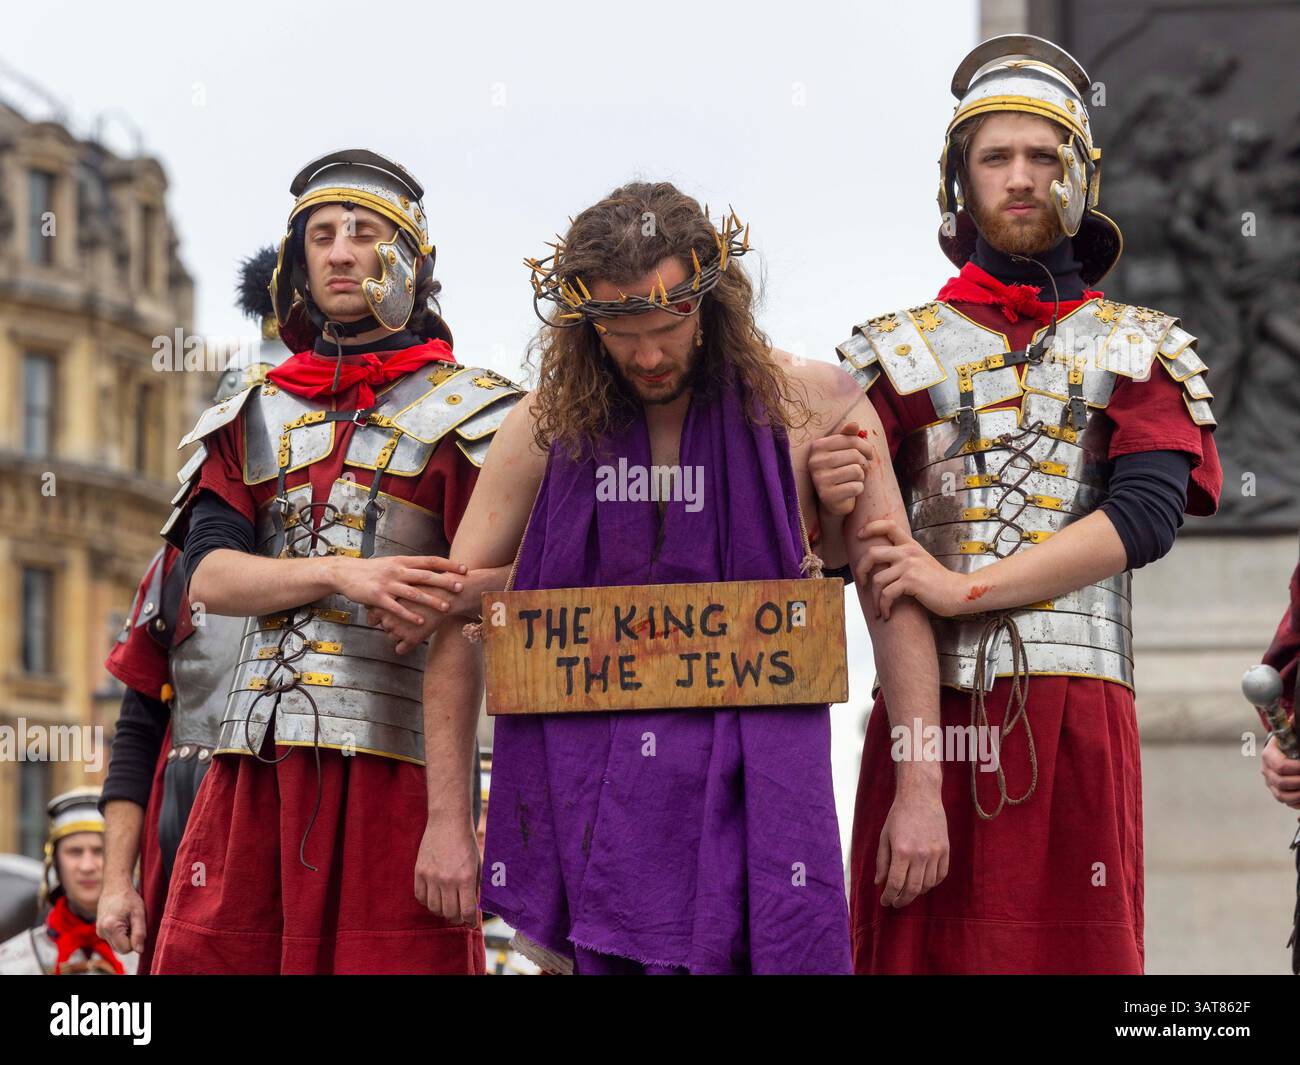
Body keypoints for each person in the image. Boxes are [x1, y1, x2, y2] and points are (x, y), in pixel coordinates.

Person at [388, 181, 948, 974]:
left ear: (711, 300)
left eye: (666, 327)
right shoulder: (545, 423)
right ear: (585, 323)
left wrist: (920, 790)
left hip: (765, 810)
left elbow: (892, 597)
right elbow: (456, 611)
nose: (648, 355)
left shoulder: (816, 404)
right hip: (594, 813)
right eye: (621, 333)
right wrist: (448, 818)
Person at [815, 35, 1222, 973]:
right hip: (929, 714)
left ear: (1079, 175)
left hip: (1078, 711)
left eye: (1044, 157)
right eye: (996, 157)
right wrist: (829, 506)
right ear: (961, 180)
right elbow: (849, 555)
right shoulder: (890, 357)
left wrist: (965, 589)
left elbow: (1145, 518)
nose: (1021, 177)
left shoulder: (1142, 346)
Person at [150, 149, 521, 974]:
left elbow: (525, 590)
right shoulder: (251, 410)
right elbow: (210, 578)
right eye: (321, 236)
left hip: (400, 770)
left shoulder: (477, 412)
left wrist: (453, 819)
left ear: (410, 262)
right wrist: (346, 574)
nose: (341, 252)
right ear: (298, 261)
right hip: (254, 769)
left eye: (363, 232)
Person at [95, 248, 296, 973]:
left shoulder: (370, 544)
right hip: (189, 817)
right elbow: (138, 726)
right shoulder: (176, 565)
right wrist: (118, 878)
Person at [0, 788, 139, 975]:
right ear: (55, 863)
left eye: (99, 851)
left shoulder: (150, 951)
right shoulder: (13, 962)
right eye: (75, 852)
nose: (87, 866)